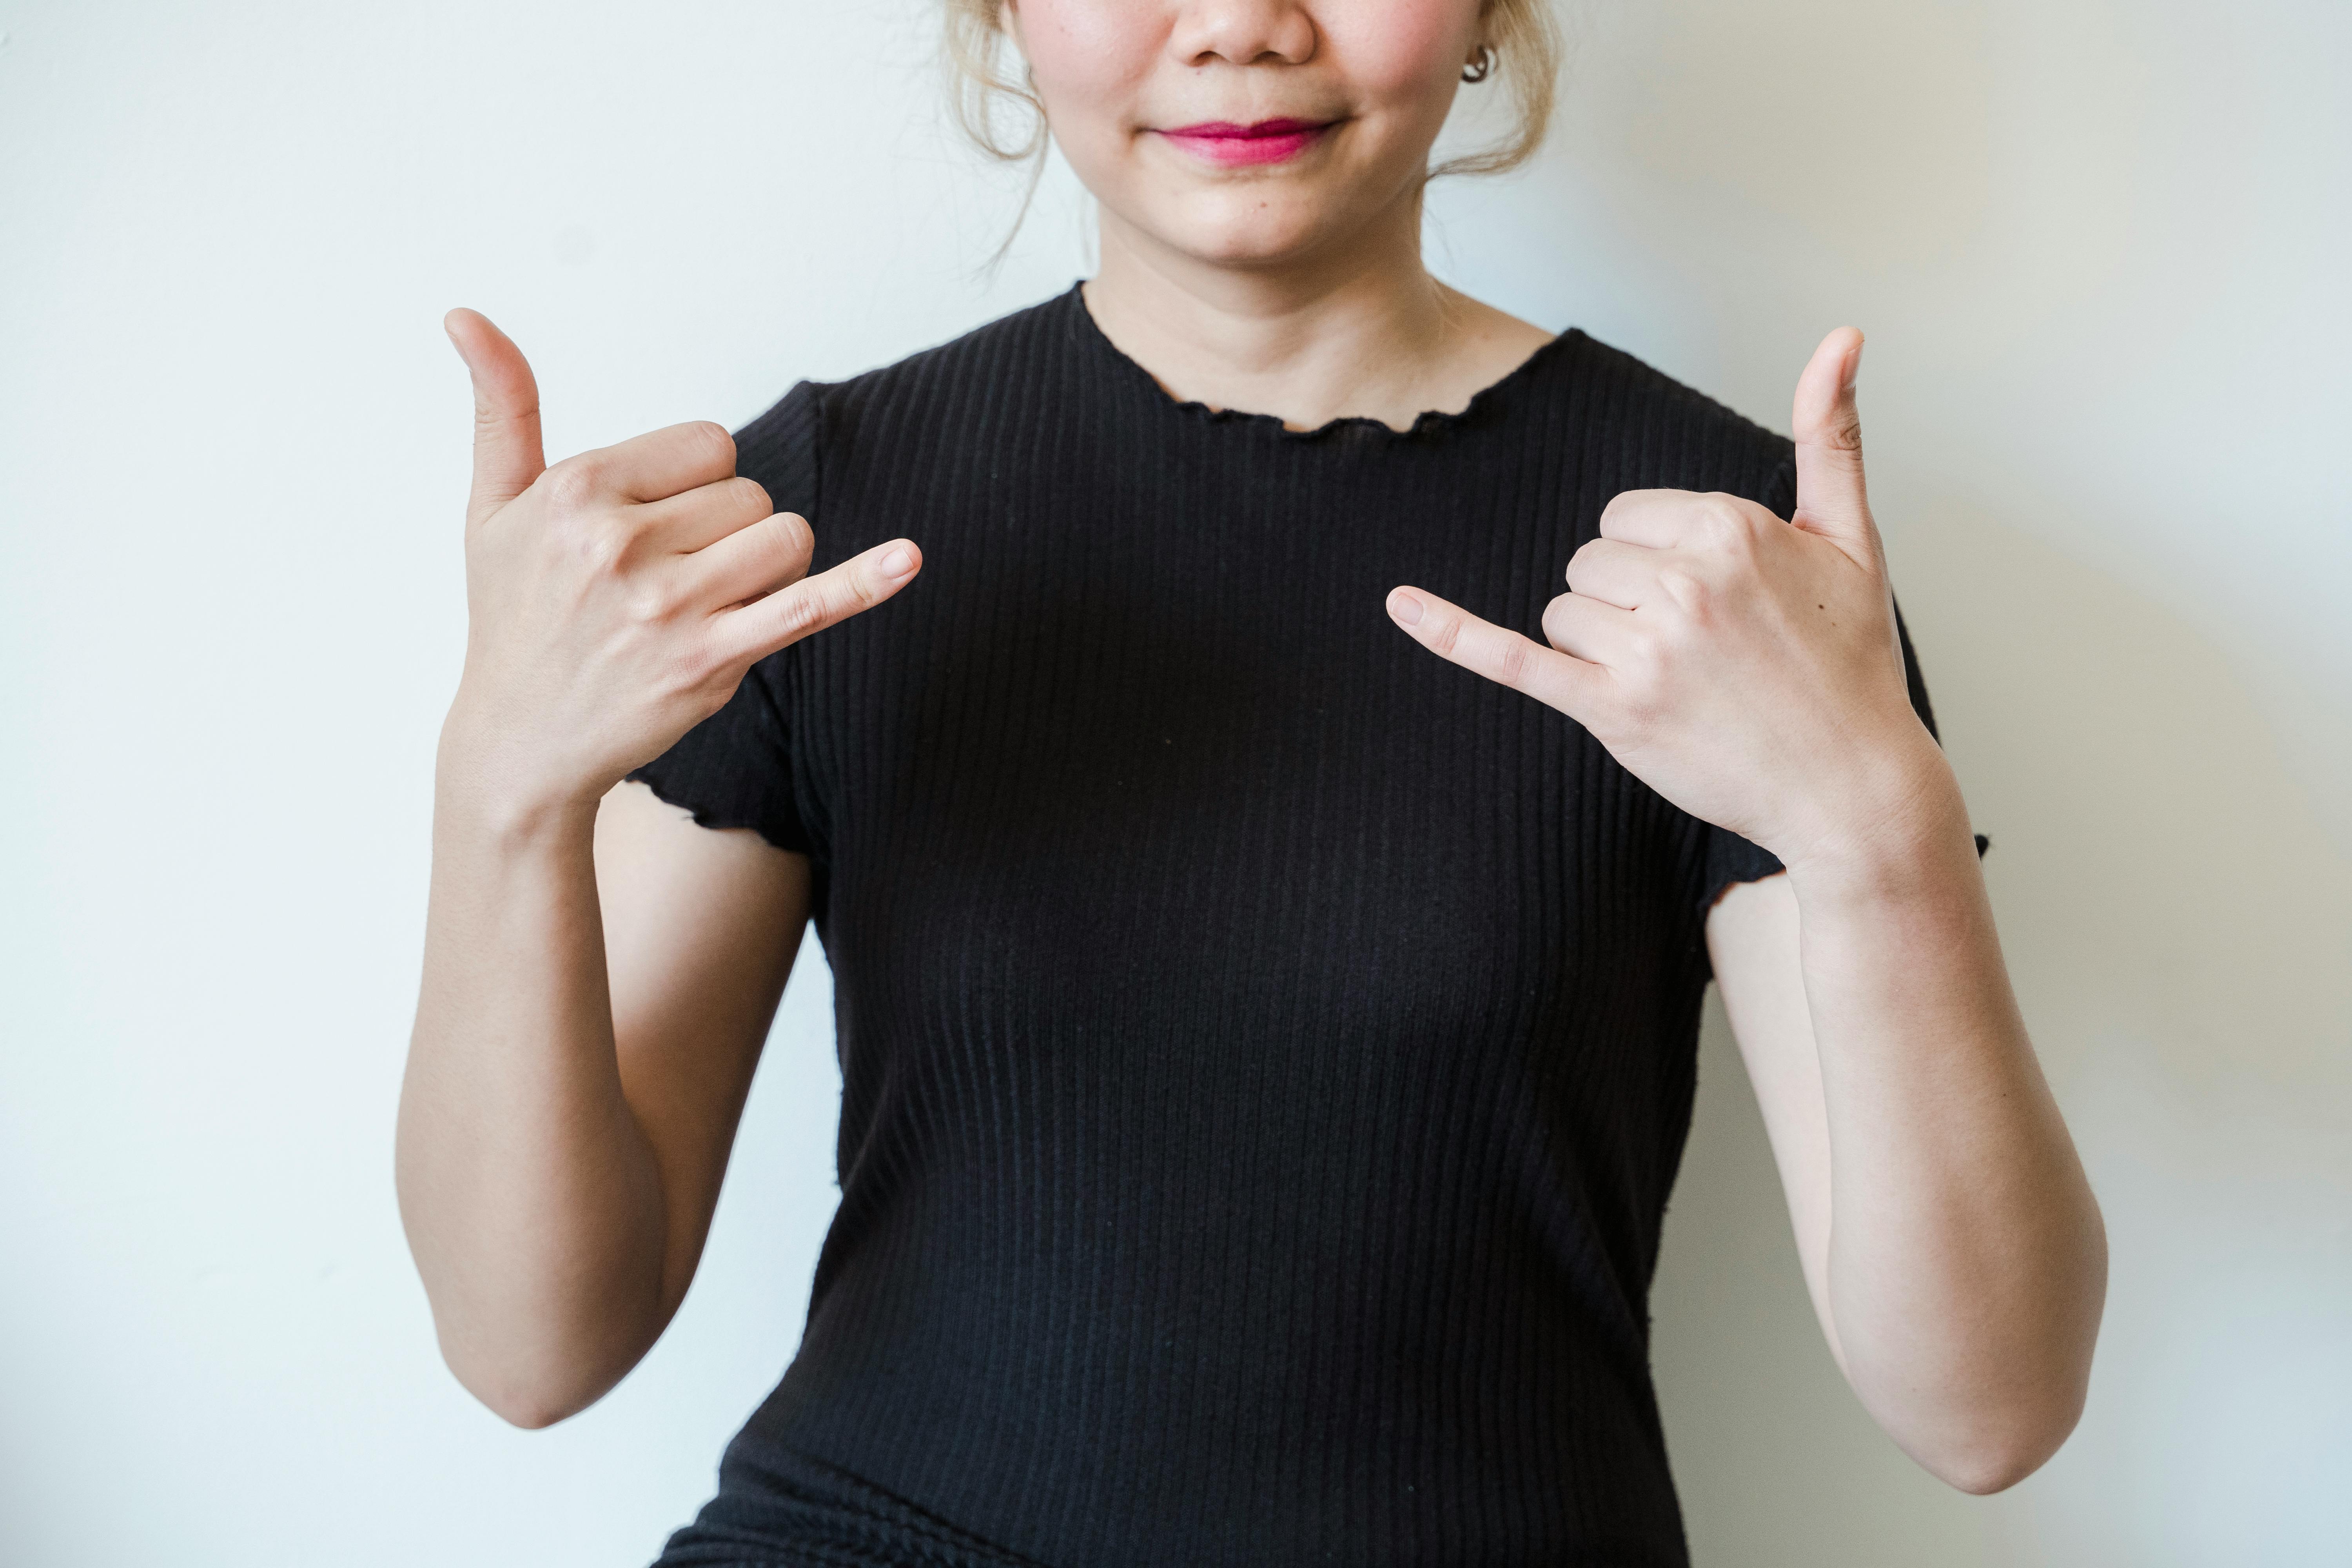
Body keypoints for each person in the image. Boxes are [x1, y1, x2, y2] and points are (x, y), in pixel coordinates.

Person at [394, 0, 2109, 1562]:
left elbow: (1988, 1413)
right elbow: (531, 1348)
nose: (1236, 27)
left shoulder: (1723, 578)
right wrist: (503, 794)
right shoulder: (816, 519)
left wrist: (1882, 833)